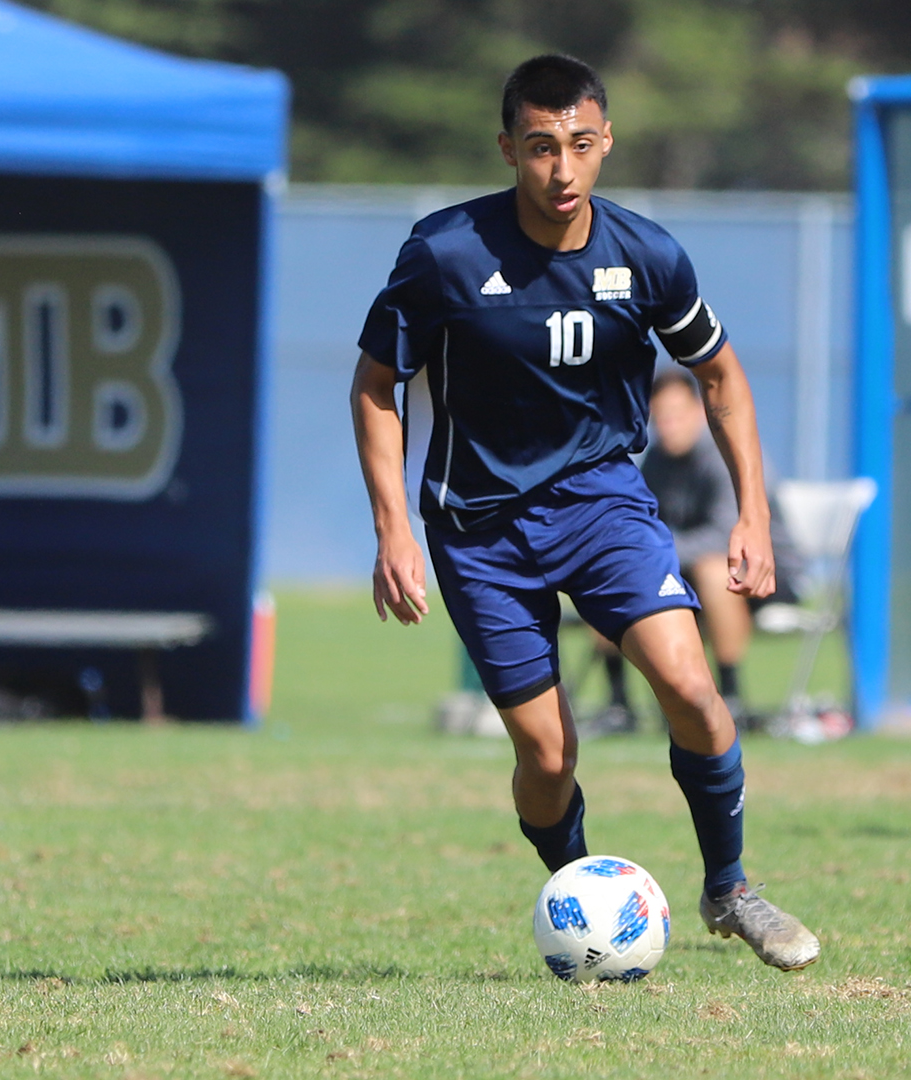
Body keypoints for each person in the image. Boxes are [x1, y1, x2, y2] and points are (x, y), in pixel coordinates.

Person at [350, 54, 819, 971]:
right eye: (538, 148)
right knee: (548, 752)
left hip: (604, 505)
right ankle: (586, 912)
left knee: (692, 689)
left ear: (605, 143)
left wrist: (754, 516)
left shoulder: (646, 256)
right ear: (507, 149)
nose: (561, 171)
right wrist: (392, 527)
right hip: (481, 531)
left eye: (579, 145)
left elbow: (721, 377)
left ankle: (730, 889)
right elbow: (377, 386)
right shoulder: (444, 254)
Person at [588, 368, 772, 735]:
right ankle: (619, 704)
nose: (668, 425)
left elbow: (725, 537)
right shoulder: (656, 458)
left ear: (699, 411)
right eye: (661, 417)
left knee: (713, 569)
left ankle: (730, 695)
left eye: (676, 414)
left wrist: (656, 552)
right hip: (684, 571)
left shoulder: (722, 455)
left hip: (757, 576)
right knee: (608, 570)